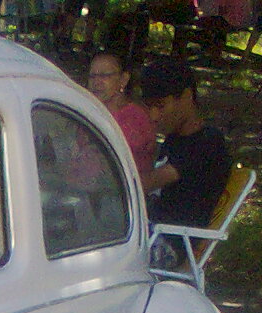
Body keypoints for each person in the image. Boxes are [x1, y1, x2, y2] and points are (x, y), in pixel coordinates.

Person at [138, 57, 231, 228]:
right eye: (149, 107)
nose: (153, 116)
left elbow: (147, 183)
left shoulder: (207, 142)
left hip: (174, 242)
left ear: (187, 96)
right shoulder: (174, 139)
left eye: (160, 106)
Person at [87, 52, 154, 179]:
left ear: (123, 80)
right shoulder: (88, 110)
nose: (97, 82)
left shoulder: (135, 118)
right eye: (92, 76)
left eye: (104, 75)